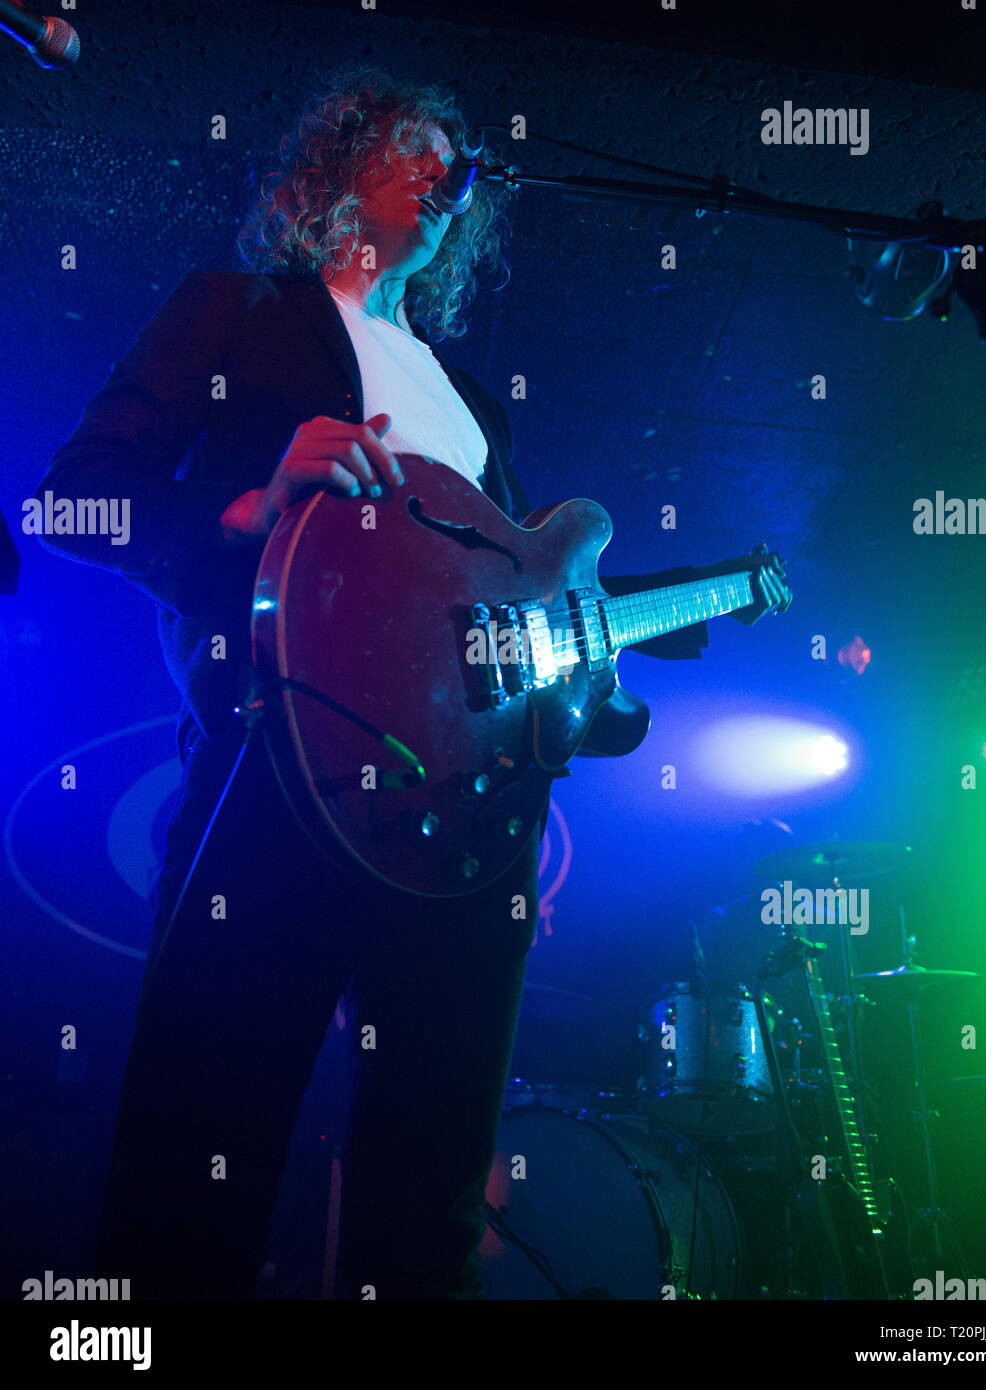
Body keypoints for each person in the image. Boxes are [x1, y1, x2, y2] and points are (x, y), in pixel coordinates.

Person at [35, 69, 790, 1300]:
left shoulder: (470, 401)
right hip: (284, 771)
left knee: (428, 1200)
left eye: (459, 158)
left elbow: (522, 624)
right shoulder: (238, 313)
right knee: (195, 1171)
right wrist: (247, 503)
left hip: (472, 827)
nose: (447, 172)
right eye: (413, 146)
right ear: (335, 167)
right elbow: (71, 497)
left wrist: (635, 641)